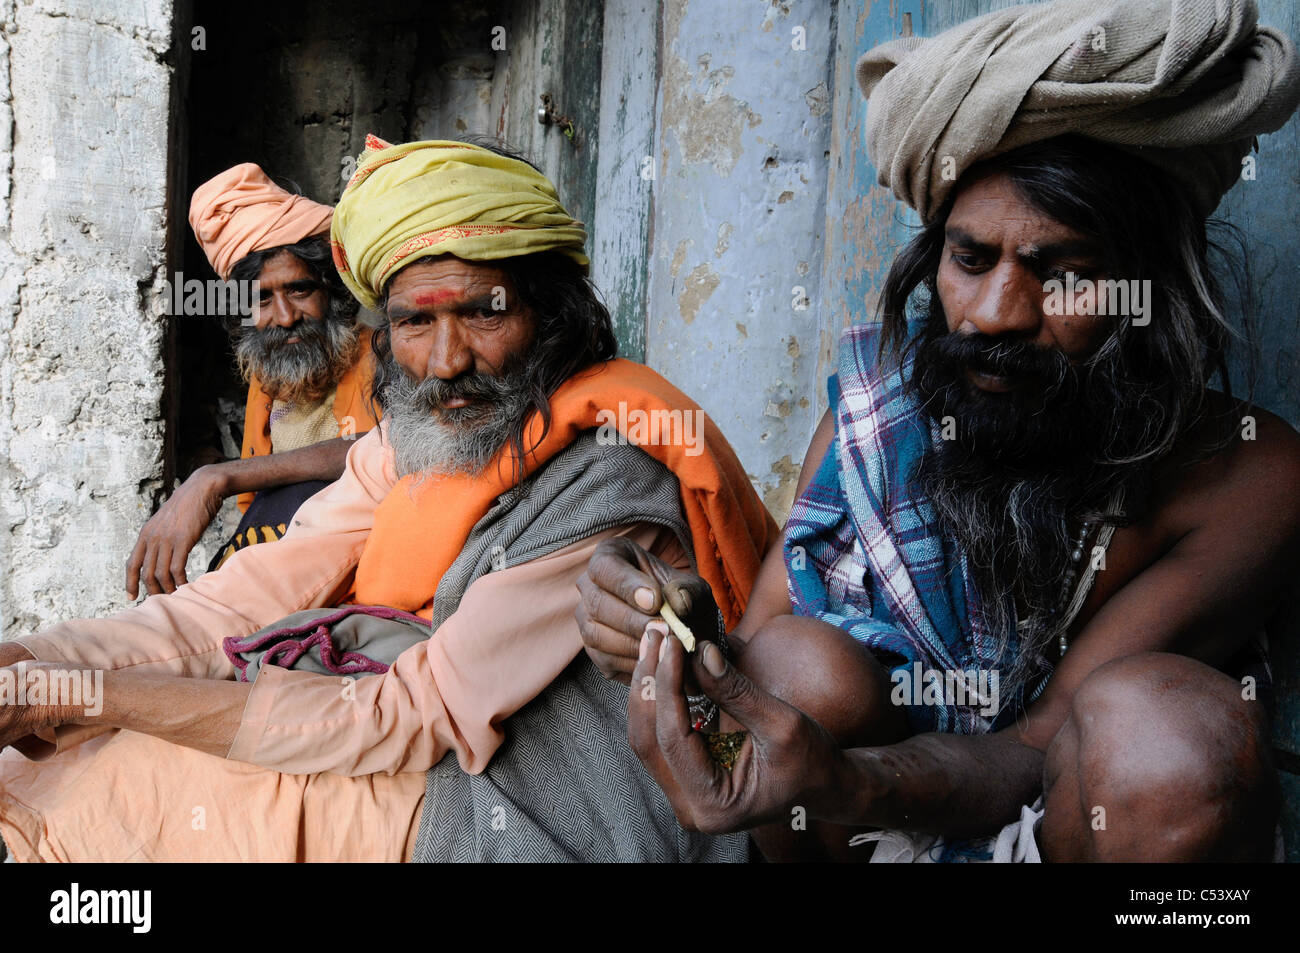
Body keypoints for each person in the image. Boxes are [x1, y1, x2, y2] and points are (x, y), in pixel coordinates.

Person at [577, 0, 1300, 861]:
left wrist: (851, 781)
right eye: (970, 259)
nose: (996, 314)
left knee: (1171, 747)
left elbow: (1034, 750)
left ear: (1149, 289)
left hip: (1067, 824)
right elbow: (754, 672)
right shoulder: (876, 424)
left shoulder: (1248, 474)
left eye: (1063, 272)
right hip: (864, 836)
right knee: (800, 667)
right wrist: (674, 630)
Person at [0, 137, 776, 862]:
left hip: (511, 813)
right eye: (415, 322)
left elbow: (410, 717)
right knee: (48, 767)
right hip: (404, 741)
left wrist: (84, 695)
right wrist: (43, 660)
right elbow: (240, 601)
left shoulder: (606, 480)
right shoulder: (417, 443)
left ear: (550, 315)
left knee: (121, 788)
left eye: (482, 312)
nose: (446, 361)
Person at [126, 163, 379, 597]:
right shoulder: (269, 374)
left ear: (329, 291)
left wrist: (218, 477)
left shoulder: (385, 355)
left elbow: (381, 451)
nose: (284, 318)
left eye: (300, 290)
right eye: (262, 299)